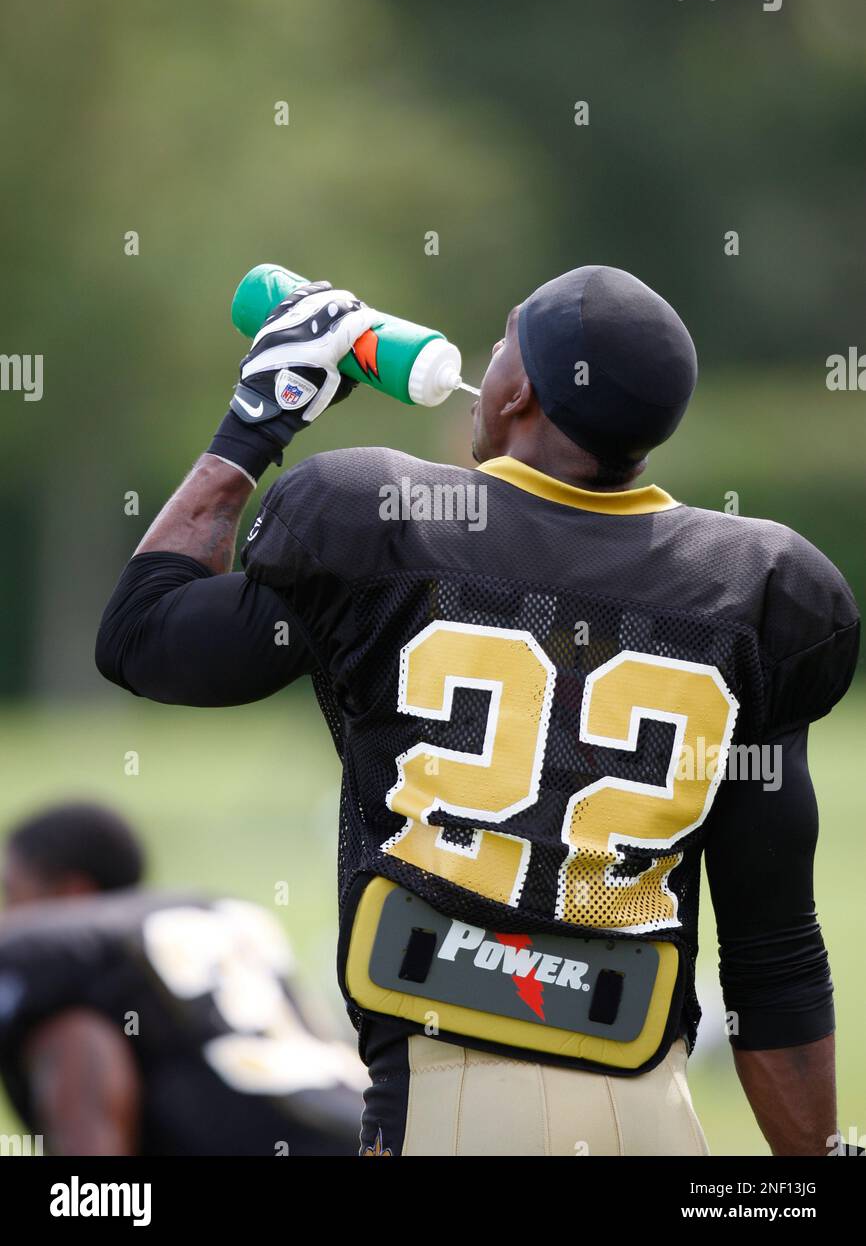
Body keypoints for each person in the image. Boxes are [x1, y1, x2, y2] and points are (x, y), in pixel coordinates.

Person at [96, 267, 859, 1156]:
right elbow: (775, 956)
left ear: (522, 389)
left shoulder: (376, 516)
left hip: (445, 1104)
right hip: (654, 1113)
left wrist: (259, 419)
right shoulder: (758, 589)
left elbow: (143, 638)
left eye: (503, 341)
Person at [0, 801, 365, 1155]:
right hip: (368, 1134)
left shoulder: (63, 953)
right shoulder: (219, 913)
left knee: (72, 1029)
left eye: (11, 891)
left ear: (72, 894)